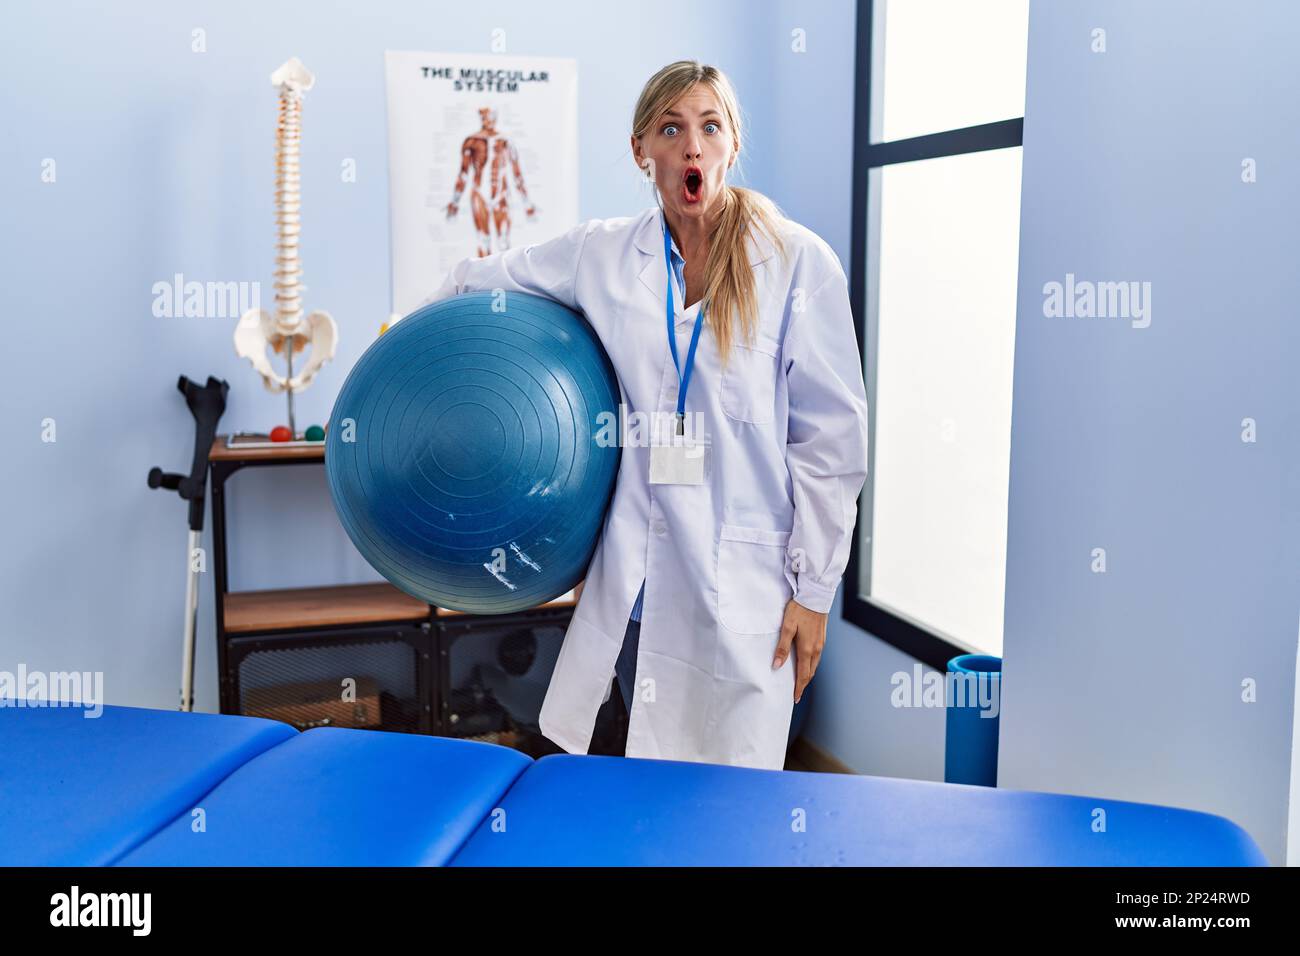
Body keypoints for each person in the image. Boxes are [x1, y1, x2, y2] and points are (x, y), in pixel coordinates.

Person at [422, 59, 868, 771]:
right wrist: (405, 347)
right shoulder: (601, 255)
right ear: (643, 151)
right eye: (672, 128)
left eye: (709, 126)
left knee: (741, 790)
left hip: (748, 582)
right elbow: (483, 279)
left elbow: (832, 442)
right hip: (640, 582)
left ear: (730, 144)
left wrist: (814, 593)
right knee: (650, 778)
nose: (693, 145)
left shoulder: (795, 263)